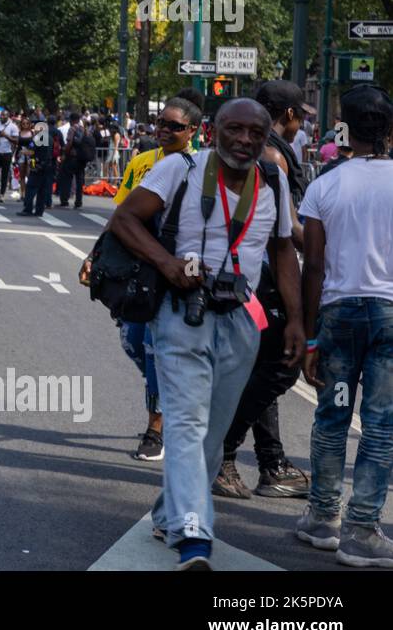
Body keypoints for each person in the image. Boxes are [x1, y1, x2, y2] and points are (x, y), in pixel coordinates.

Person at [111, 98, 301, 570]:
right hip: (181, 312)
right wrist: (167, 263)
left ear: (264, 137)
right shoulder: (182, 168)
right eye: (233, 130)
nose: (244, 140)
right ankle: (193, 536)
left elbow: (281, 253)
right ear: (212, 132)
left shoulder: (273, 179)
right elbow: (124, 218)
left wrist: (299, 320)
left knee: (214, 433)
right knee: (187, 424)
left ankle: (168, 514)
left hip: (241, 318)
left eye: (254, 133)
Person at [295, 85, 393, 566]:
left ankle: (322, 517)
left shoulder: (324, 186)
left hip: (339, 318)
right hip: (390, 320)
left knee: (333, 415)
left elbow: (312, 266)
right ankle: (362, 528)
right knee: (381, 425)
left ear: (344, 128)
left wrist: (310, 336)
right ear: (390, 132)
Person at [212, 80, 313, 500]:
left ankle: (268, 462)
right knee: (279, 366)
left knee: (261, 366)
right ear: (287, 114)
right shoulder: (271, 156)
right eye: (300, 115)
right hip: (261, 283)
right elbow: (288, 235)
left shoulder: (273, 153)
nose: (301, 123)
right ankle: (224, 452)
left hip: (261, 279)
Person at [108, 93, 201, 462]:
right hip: (137, 267)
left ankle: (155, 428)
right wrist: (95, 255)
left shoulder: (200, 166)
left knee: (153, 349)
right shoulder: (142, 162)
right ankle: (160, 390)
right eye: (160, 123)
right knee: (132, 342)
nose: (164, 130)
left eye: (174, 126)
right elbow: (120, 213)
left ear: (193, 130)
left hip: (175, 269)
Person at [16, 116, 56, 217]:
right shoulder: (49, 138)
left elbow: (31, 150)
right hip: (47, 166)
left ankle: (28, 209)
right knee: (42, 190)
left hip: (37, 166)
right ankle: (39, 211)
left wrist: (24, 152)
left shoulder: (39, 138)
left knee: (30, 188)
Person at [58, 112, 91, 209]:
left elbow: (69, 142)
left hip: (71, 157)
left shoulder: (72, 129)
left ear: (71, 120)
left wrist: (64, 153)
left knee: (66, 179)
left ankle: (64, 200)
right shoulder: (84, 129)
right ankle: (78, 201)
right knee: (79, 180)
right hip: (81, 158)